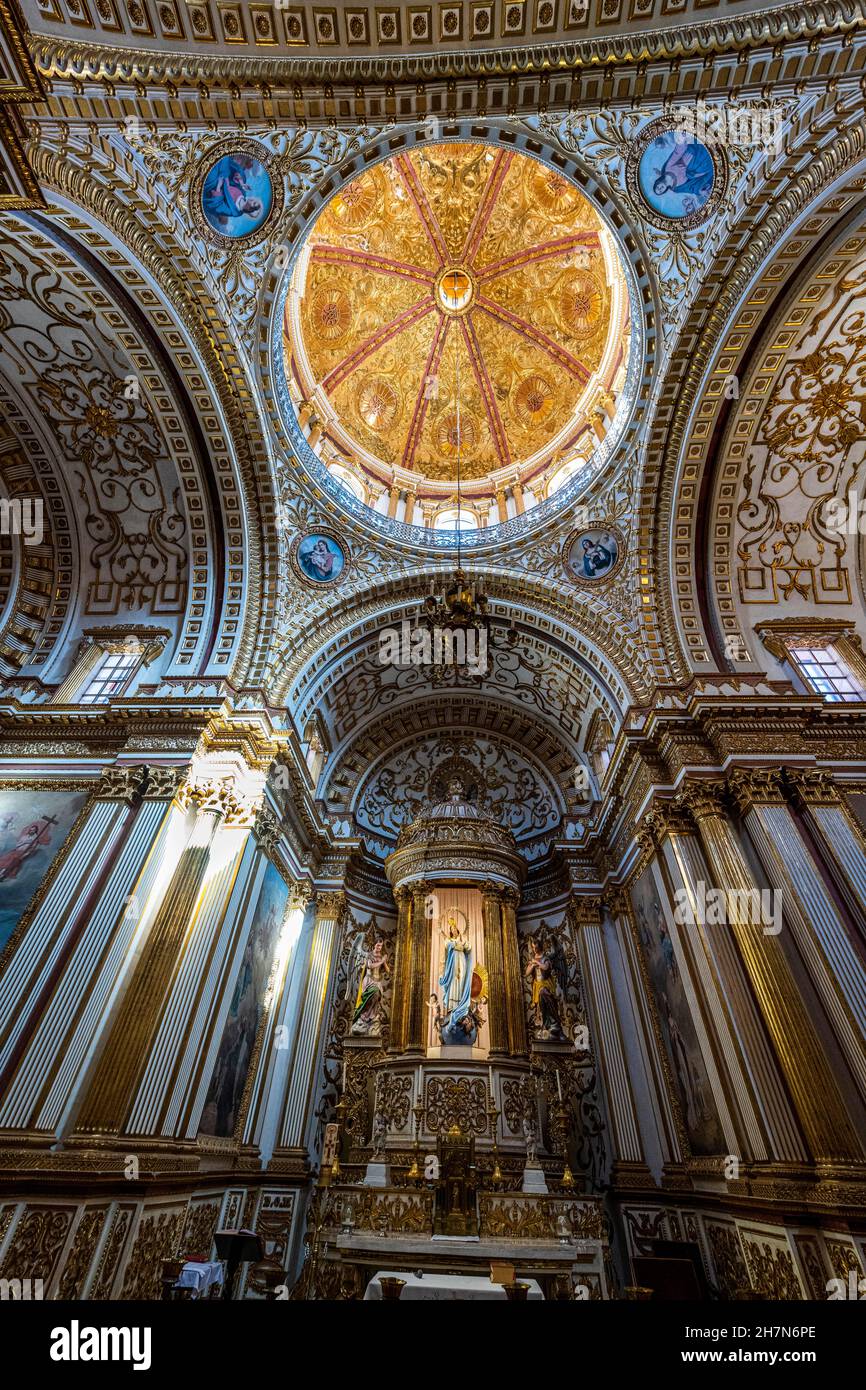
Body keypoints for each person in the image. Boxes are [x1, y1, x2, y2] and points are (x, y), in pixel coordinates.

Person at [202, 154, 264, 229]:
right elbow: (235, 184)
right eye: (255, 201)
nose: (253, 200)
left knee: (211, 173)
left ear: (249, 209)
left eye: (253, 203)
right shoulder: (243, 195)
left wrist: (218, 186)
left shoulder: (233, 211)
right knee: (224, 158)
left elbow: (217, 205)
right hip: (224, 176)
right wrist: (240, 180)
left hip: (213, 187)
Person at [652, 136, 714, 204]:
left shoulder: (667, 170)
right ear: (664, 191)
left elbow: (677, 154)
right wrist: (699, 191)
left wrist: (682, 141)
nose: (660, 188)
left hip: (694, 157)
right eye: (660, 191)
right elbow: (690, 189)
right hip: (700, 171)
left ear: (657, 183)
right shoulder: (676, 189)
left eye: (658, 187)